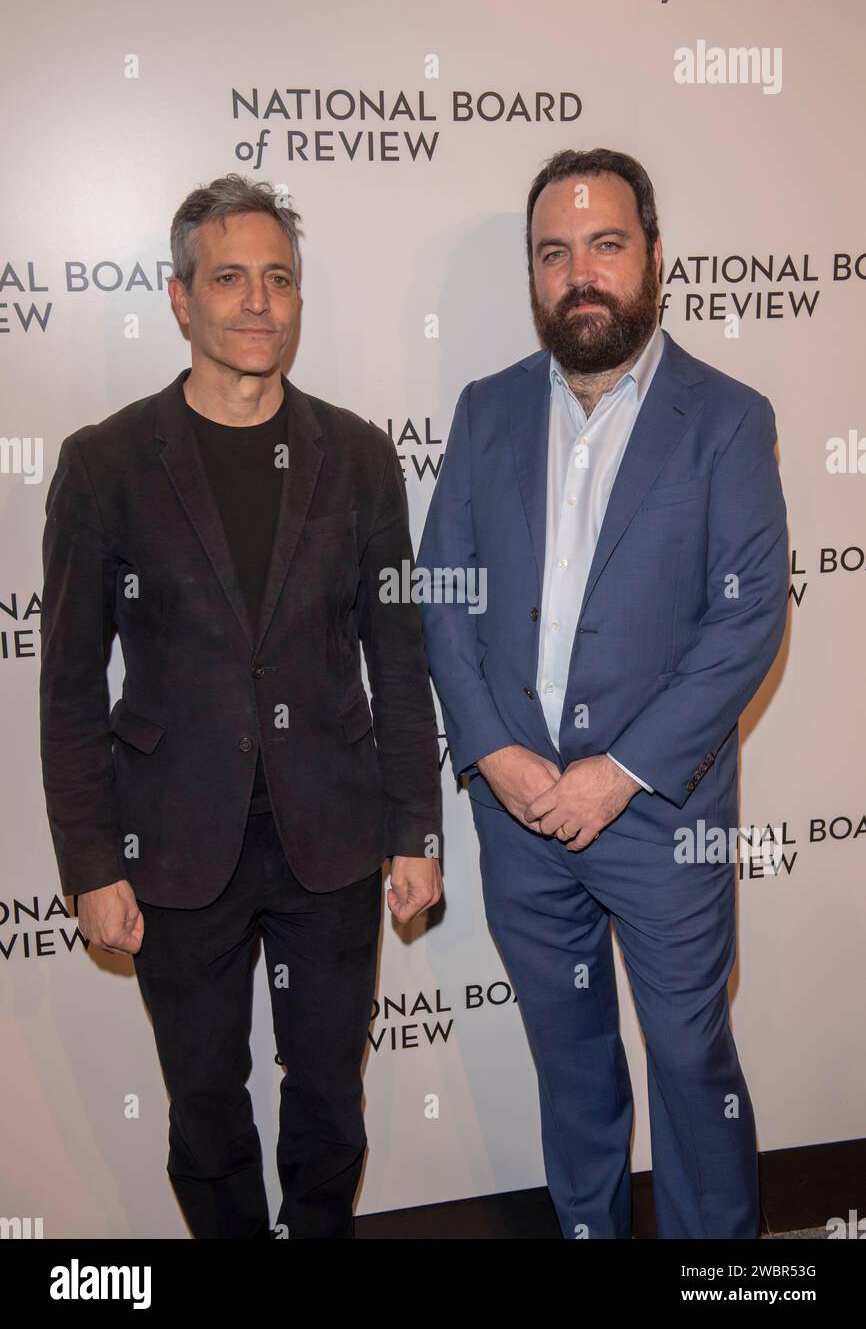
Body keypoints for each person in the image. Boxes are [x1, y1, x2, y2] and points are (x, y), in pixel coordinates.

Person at [39, 173, 443, 1240]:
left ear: (299, 299)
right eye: (229, 278)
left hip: (334, 839)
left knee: (327, 1101)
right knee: (206, 1110)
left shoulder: (356, 456)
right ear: (182, 300)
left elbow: (397, 655)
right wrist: (90, 861)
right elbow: (70, 686)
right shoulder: (105, 464)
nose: (257, 301)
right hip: (170, 843)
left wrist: (415, 827)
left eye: (278, 279)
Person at [417, 148, 788, 1239]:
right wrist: (490, 752)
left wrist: (615, 776)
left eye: (606, 245)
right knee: (568, 1061)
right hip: (518, 810)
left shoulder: (723, 417)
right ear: (533, 277)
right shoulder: (485, 413)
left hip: (659, 814)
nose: (580, 273)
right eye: (554, 252)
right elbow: (441, 595)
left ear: (654, 259)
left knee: (686, 1057)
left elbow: (746, 621)